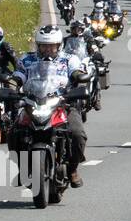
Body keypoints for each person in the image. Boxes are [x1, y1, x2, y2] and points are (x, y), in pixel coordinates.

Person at [11, 26, 88, 187]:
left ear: (58, 45)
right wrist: (12, 84)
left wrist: (79, 77)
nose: (47, 49)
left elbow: (76, 71)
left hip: (63, 103)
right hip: (33, 102)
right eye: (43, 45)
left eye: (51, 45)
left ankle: (73, 169)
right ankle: (23, 168)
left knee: (77, 134)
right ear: (38, 45)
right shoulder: (27, 59)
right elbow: (19, 74)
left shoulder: (69, 59)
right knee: (14, 132)